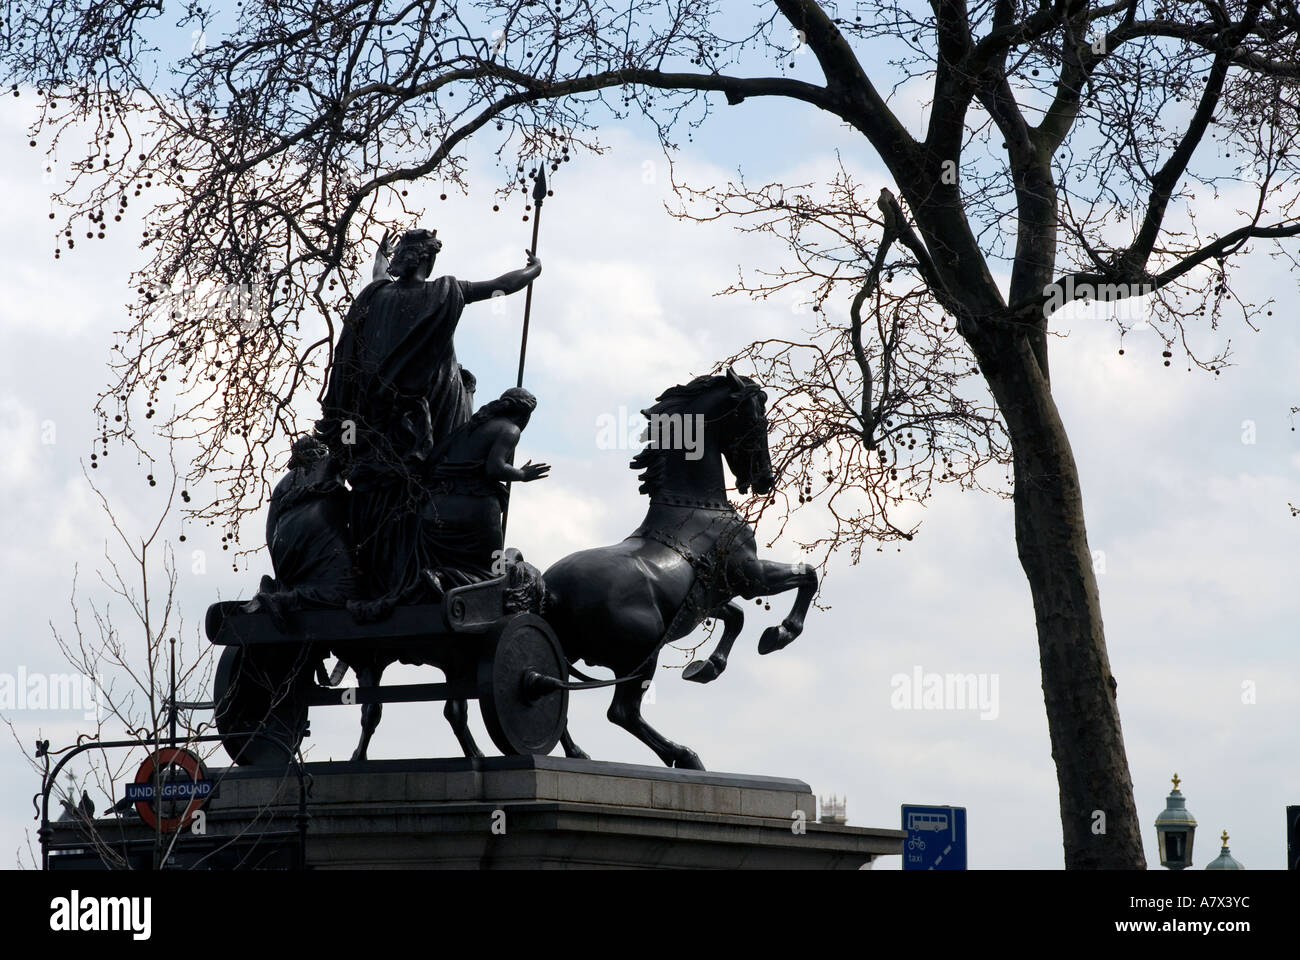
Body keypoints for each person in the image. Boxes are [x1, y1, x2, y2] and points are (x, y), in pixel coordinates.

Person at [316, 229, 540, 612]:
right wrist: (532, 270)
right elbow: (500, 287)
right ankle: (427, 571)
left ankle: (377, 575)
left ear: (404, 258)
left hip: (373, 423)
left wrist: (381, 259)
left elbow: (377, 278)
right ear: (427, 260)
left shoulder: (375, 296)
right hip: (423, 419)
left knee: (381, 492)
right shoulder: (443, 292)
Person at [422, 387, 550, 590]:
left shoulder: (468, 427)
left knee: (460, 562)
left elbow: (432, 459)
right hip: (476, 509)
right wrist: (523, 475)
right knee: (494, 569)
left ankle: (440, 575)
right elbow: (494, 468)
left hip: (436, 508)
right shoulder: (510, 429)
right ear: (525, 415)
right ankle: (448, 579)